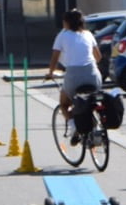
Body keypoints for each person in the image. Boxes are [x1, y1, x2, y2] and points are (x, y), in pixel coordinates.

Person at [43, 9, 103, 142]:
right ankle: (96, 127)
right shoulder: (88, 34)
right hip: (93, 75)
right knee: (91, 101)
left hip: (74, 76)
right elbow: (98, 57)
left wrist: (50, 73)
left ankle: (73, 125)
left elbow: (55, 57)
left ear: (67, 23)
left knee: (64, 104)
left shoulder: (62, 35)